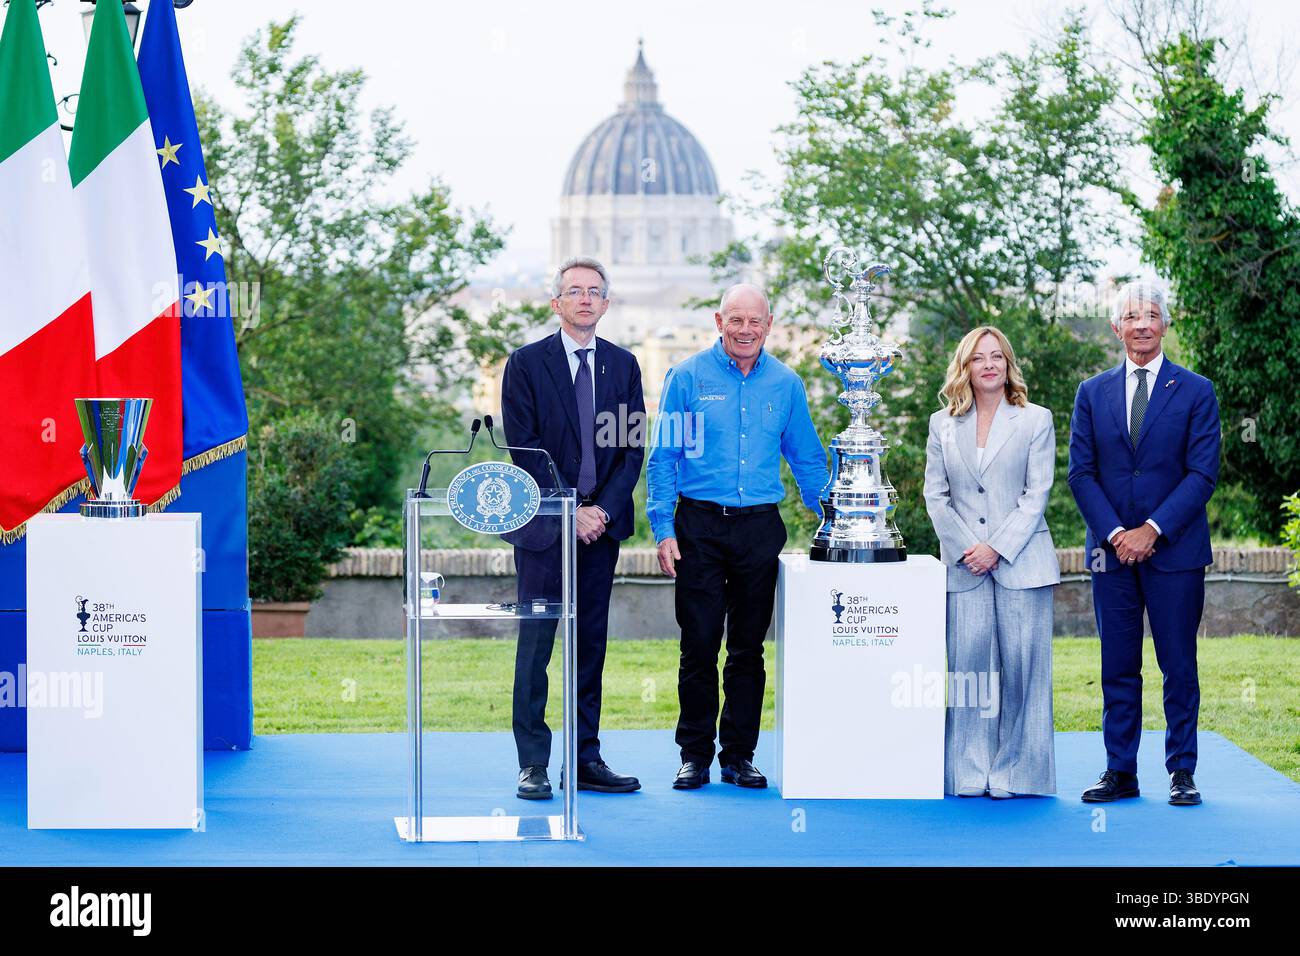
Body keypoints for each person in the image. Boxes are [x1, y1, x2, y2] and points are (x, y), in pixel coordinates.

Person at [646, 284, 829, 790]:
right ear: (718, 320)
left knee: (748, 649)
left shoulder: (786, 383)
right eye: (735, 320)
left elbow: (807, 458)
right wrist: (663, 529)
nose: (745, 330)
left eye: (755, 322)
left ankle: (738, 756)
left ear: (769, 325)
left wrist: (834, 519)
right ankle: (694, 756)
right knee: (699, 645)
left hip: (758, 527)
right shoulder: (686, 377)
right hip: (699, 526)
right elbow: (663, 459)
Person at [1068, 282, 1219, 807]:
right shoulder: (1091, 393)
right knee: (1117, 665)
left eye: (1151, 315)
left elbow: (1202, 475)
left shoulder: (1197, 391)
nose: (1141, 325)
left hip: (1175, 553)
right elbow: (1080, 474)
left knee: (1178, 665)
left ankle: (1182, 772)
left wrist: (1151, 530)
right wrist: (1116, 534)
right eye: (1131, 316)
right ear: (1116, 327)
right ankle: (1120, 771)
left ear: (1164, 325)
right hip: (1109, 556)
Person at [499, 256, 645, 800]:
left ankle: (584, 759)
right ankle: (533, 764)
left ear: (605, 304)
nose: (584, 299)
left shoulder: (623, 366)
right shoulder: (526, 364)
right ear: (556, 302)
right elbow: (524, 449)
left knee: (589, 645)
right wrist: (568, 508)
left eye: (594, 292)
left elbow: (631, 449)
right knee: (536, 644)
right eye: (574, 291)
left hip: (600, 532)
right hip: (543, 530)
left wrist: (601, 511)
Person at [923, 326, 1060, 799]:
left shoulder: (1035, 419)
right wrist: (968, 548)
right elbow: (935, 496)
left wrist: (995, 548)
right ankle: (968, 770)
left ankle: (1015, 773)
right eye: (978, 357)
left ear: (1007, 365)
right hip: (963, 568)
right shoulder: (941, 424)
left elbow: (1036, 493)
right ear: (965, 366)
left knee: (1023, 672)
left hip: (1022, 563)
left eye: (997, 356)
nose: (988, 364)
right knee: (969, 672)